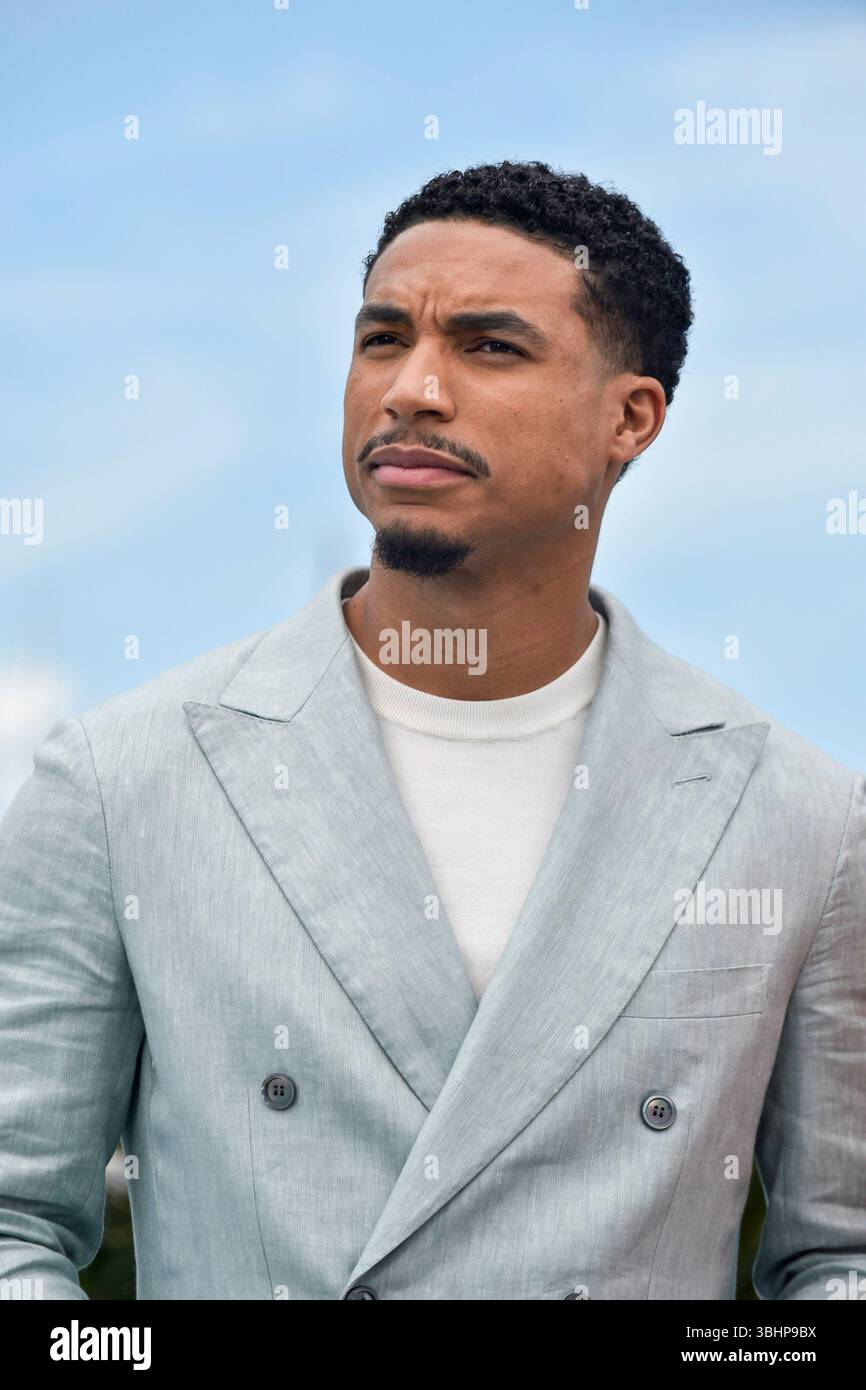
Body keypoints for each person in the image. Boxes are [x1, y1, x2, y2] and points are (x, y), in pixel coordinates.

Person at [1, 161, 863, 1301]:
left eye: (488, 346)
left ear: (630, 418)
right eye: (380, 338)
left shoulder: (799, 816)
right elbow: (16, 1223)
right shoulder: (121, 780)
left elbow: (837, 1258)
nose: (412, 389)